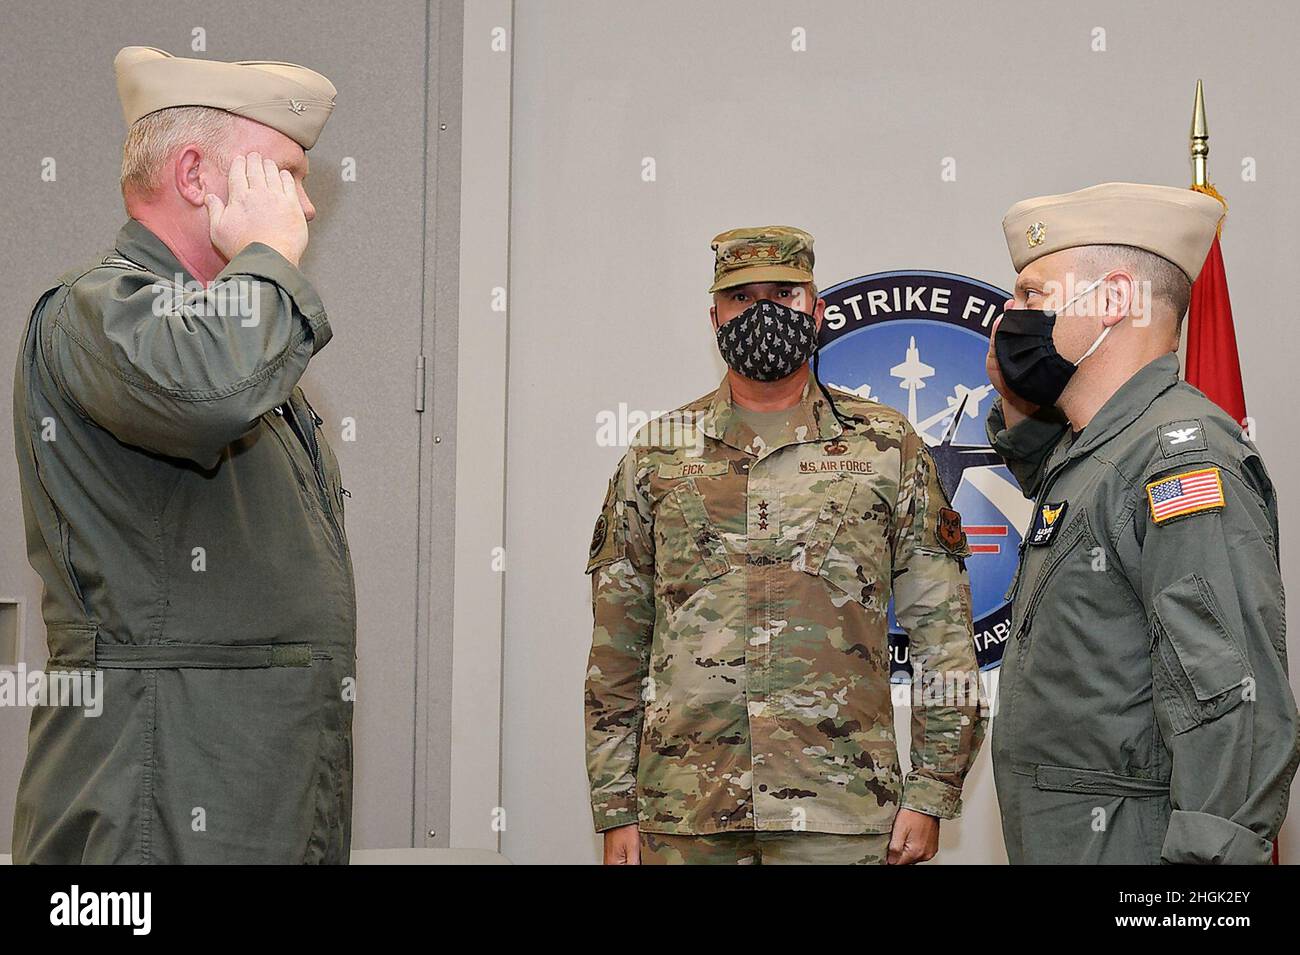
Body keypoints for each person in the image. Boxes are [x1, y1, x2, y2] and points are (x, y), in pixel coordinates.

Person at [11, 46, 354, 863]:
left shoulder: (231, 335)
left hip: (251, 786)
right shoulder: (100, 310)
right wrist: (270, 261)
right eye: (284, 174)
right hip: (160, 793)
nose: (302, 207)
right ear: (196, 174)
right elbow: (213, 392)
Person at [584, 225, 985, 865]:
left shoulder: (888, 446)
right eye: (743, 297)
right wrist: (614, 806)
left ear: (816, 310)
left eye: (784, 294)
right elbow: (616, 648)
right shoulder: (657, 453)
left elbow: (944, 637)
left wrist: (933, 790)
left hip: (843, 813)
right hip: (686, 816)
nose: (764, 312)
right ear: (714, 315)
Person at [985, 181, 1298, 864]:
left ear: (1114, 299)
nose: (1008, 317)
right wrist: (1016, 392)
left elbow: (1231, 703)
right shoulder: (1099, 449)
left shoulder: (1179, 460)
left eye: (1033, 295)